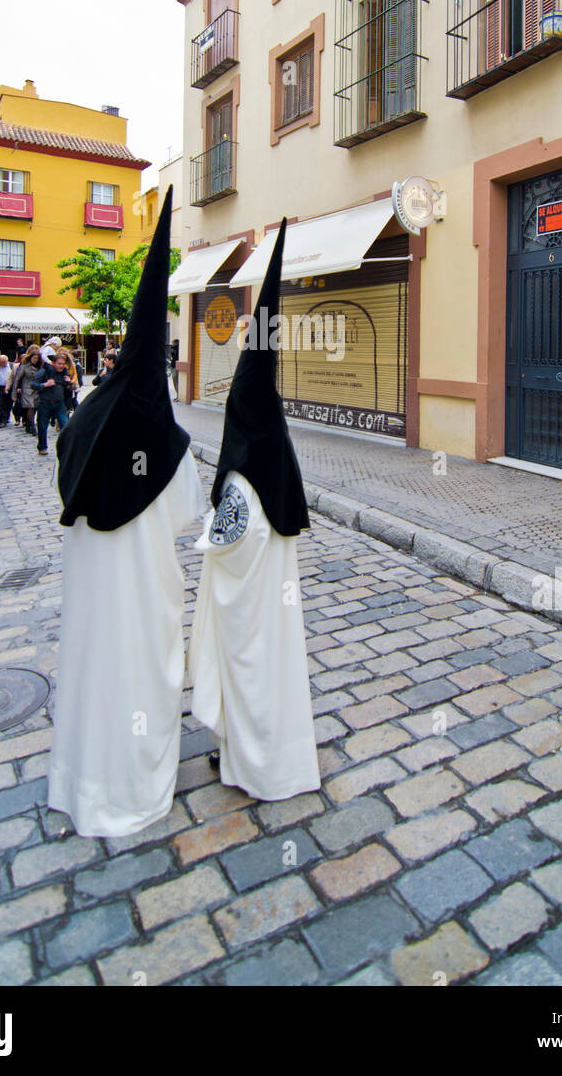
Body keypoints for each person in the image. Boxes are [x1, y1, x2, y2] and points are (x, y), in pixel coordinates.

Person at [48, 187, 205, 837]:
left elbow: (66, 486)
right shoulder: (168, 446)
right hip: (139, 599)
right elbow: (185, 520)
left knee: (90, 681)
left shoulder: (82, 419)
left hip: (89, 592)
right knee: (134, 682)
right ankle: (131, 791)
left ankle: (82, 783)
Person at [189, 219, 320, 802]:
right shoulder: (278, 464)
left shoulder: (241, 485)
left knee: (250, 671)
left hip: (252, 621)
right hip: (277, 612)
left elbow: (223, 556)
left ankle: (250, 759)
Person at [31, 352, 73, 454]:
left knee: (65, 425)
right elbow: (33, 384)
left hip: (59, 403)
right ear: (53, 363)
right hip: (45, 403)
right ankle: (42, 447)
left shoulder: (64, 372)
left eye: (63, 364)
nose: (61, 366)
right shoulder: (44, 372)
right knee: (42, 427)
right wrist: (45, 384)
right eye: (59, 363)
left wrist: (69, 383)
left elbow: (69, 388)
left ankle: (66, 447)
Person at [10, 344, 42, 436]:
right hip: (27, 390)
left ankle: (29, 423)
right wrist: (14, 393)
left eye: (37, 358)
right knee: (30, 408)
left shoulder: (40, 367)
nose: (36, 360)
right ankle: (32, 426)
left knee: (35, 408)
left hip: (37, 390)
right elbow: (17, 379)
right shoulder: (24, 366)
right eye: (34, 358)